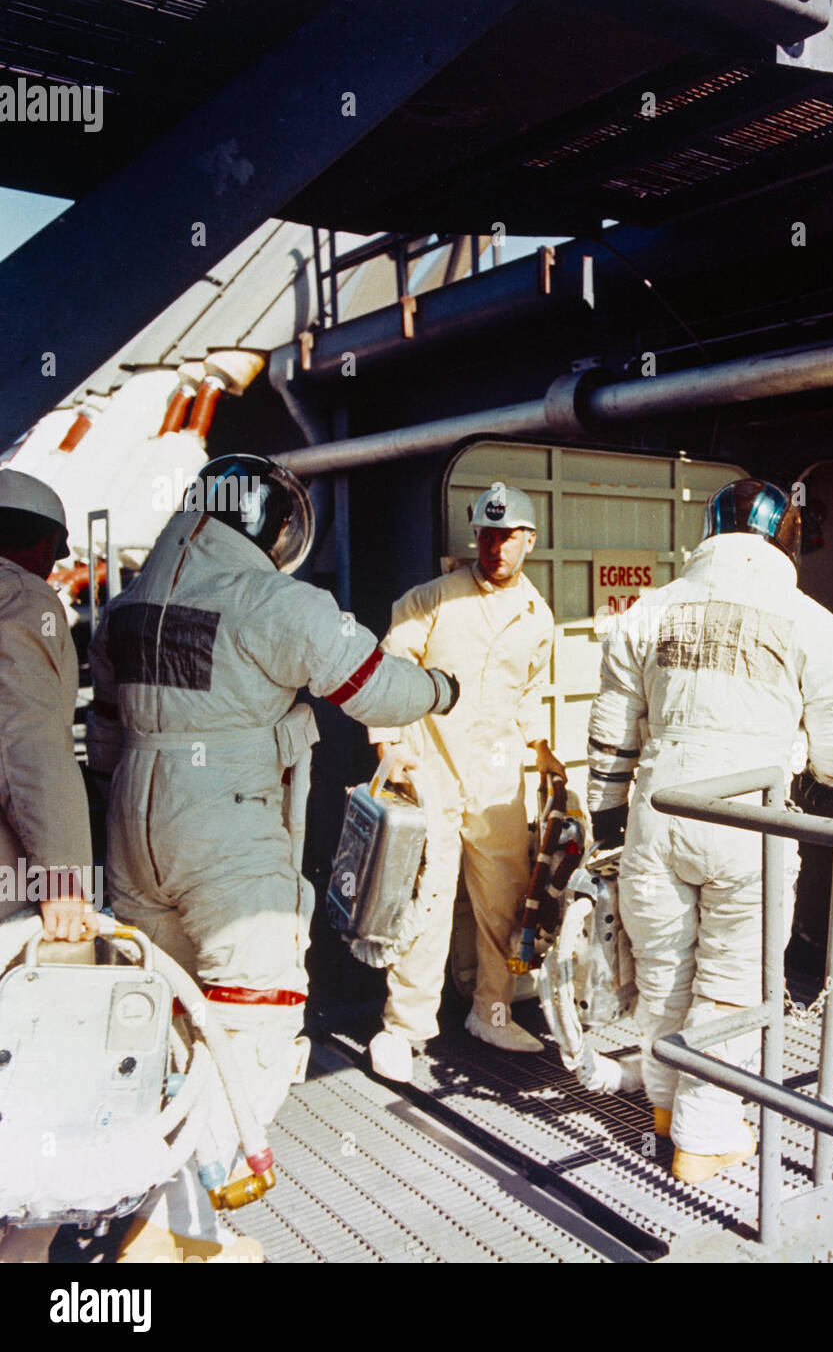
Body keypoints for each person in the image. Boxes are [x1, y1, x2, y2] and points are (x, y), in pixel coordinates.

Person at [87, 454, 457, 1262]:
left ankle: (152, 1204)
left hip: (132, 815)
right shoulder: (268, 599)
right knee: (256, 1015)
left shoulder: (132, 602)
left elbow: (107, 733)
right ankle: (183, 1228)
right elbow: (375, 690)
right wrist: (440, 689)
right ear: (266, 525)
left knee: (169, 1020)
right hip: (224, 815)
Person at [587, 479, 833, 1184]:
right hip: (752, 819)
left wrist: (604, 815)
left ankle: (662, 1104)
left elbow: (611, 740)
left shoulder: (644, 614)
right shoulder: (818, 627)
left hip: (659, 810)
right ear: (787, 537)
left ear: (709, 530)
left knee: (663, 971)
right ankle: (706, 1135)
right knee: (733, 983)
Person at [364, 481, 563, 1084]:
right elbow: (386, 675)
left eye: (508, 537)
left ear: (529, 540)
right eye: (487, 535)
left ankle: (492, 1013)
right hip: (432, 769)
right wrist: (388, 746)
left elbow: (527, 695)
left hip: (498, 778)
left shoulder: (538, 616)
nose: (497, 547)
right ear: (475, 535)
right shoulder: (430, 601)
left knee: (505, 903)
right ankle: (404, 1028)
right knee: (424, 904)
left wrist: (545, 751)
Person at [0, 469, 98, 1264]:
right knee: (49, 1066)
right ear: (29, 539)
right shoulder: (20, 603)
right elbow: (32, 743)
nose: (60, 566)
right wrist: (63, 879)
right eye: (58, 549)